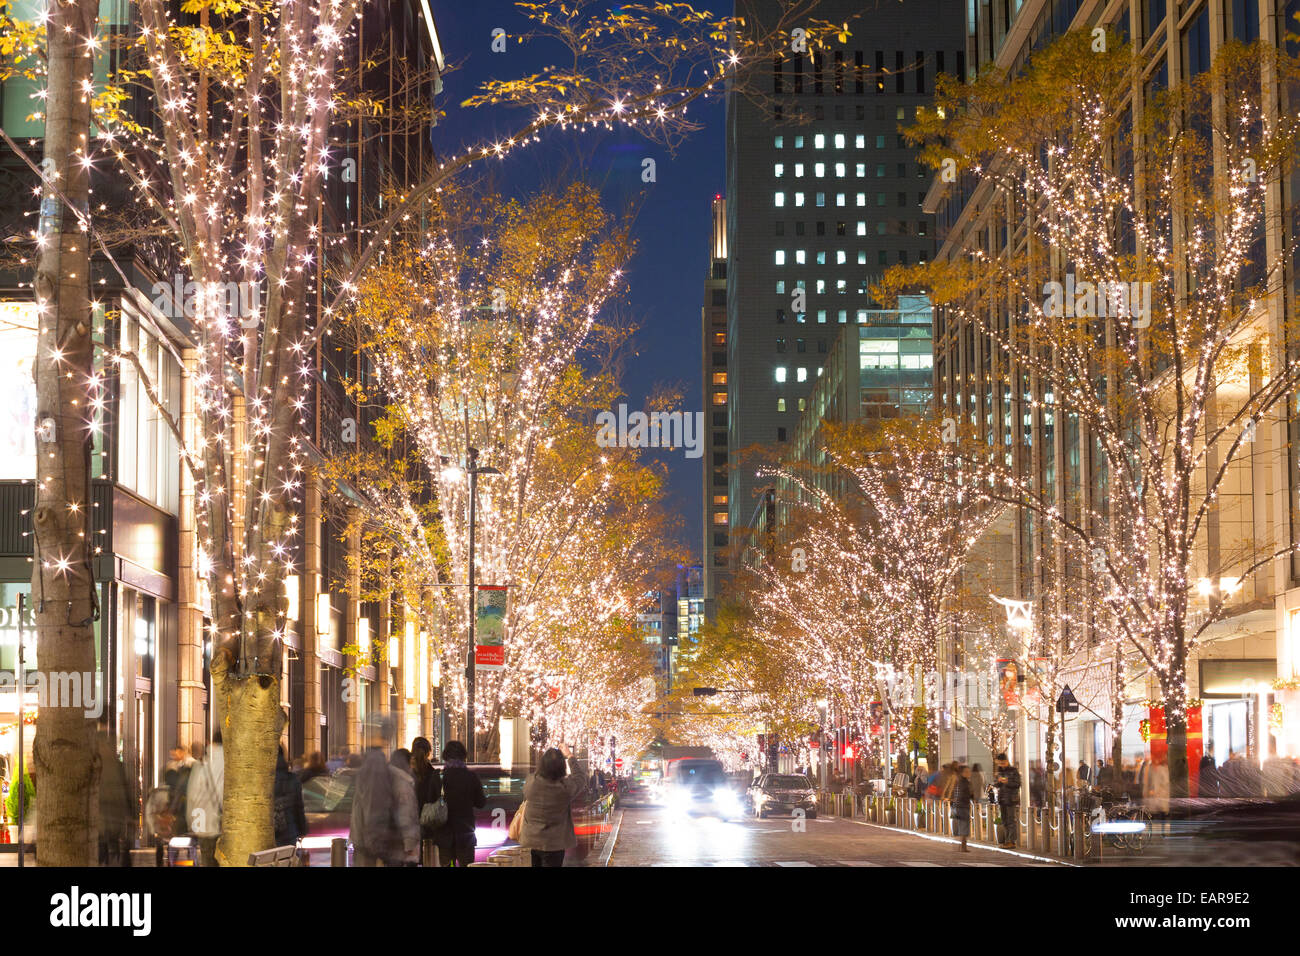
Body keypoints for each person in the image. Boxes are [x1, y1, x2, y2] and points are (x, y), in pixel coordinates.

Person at [519, 744, 588, 867]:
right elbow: (580, 778)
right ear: (562, 767)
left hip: (533, 840)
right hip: (554, 843)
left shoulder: (531, 783)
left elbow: (537, 774)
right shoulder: (564, 788)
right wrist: (570, 756)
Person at [432, 740, 486, 867]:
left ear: (445, 756)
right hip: (465, 835)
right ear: (463, 756)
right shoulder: (471, 777)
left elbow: (430, 800)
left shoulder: (438, 776)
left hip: (444, 835)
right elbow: (481, 803)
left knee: (447, 865)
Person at [97, 719, 133, 866]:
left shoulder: (95, 765)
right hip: (112, 816)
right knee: (110, 846)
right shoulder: (116, 765)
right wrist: (130, 814)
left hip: (105, 816)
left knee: (104, 846)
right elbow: (126, 790)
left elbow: (125, 789)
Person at [187, 729, 224, 866]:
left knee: (208, 859)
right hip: (226, 824)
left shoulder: (201, 765)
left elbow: (192, 796)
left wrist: (193, 823)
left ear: (210, 743)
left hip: (205, 823)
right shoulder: (233, 765)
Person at [273, 745, 308, 848]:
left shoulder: (260, 780)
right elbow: (299, 807)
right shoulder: (292, 779)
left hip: (268, 831)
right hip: (288, 832)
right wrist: (302, 829)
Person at [994, 752, 1021, 848]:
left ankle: (1012, 841)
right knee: (1004, 820)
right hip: (1002, 799)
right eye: (1000, 763)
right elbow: (996, 784)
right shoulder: (999, 771)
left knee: (1011, 820)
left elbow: (1018, 784)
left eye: (1003, 763)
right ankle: (1007, 840)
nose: (1001, 765)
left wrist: (1007, 782)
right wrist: (998, 782)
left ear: (1007, 761)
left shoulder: (1013, 770)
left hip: (1011, 799)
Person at [950, 763, 974, 853]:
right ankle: (963, 847)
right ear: (962, 773)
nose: (969, 773)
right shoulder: (964, 782)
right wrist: (971, 796)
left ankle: (962, 846)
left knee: (962, 826)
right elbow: (963, 795)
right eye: (967, 771)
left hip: (959, 806)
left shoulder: (959, 781)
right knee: (964, 826)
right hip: (963, 806)